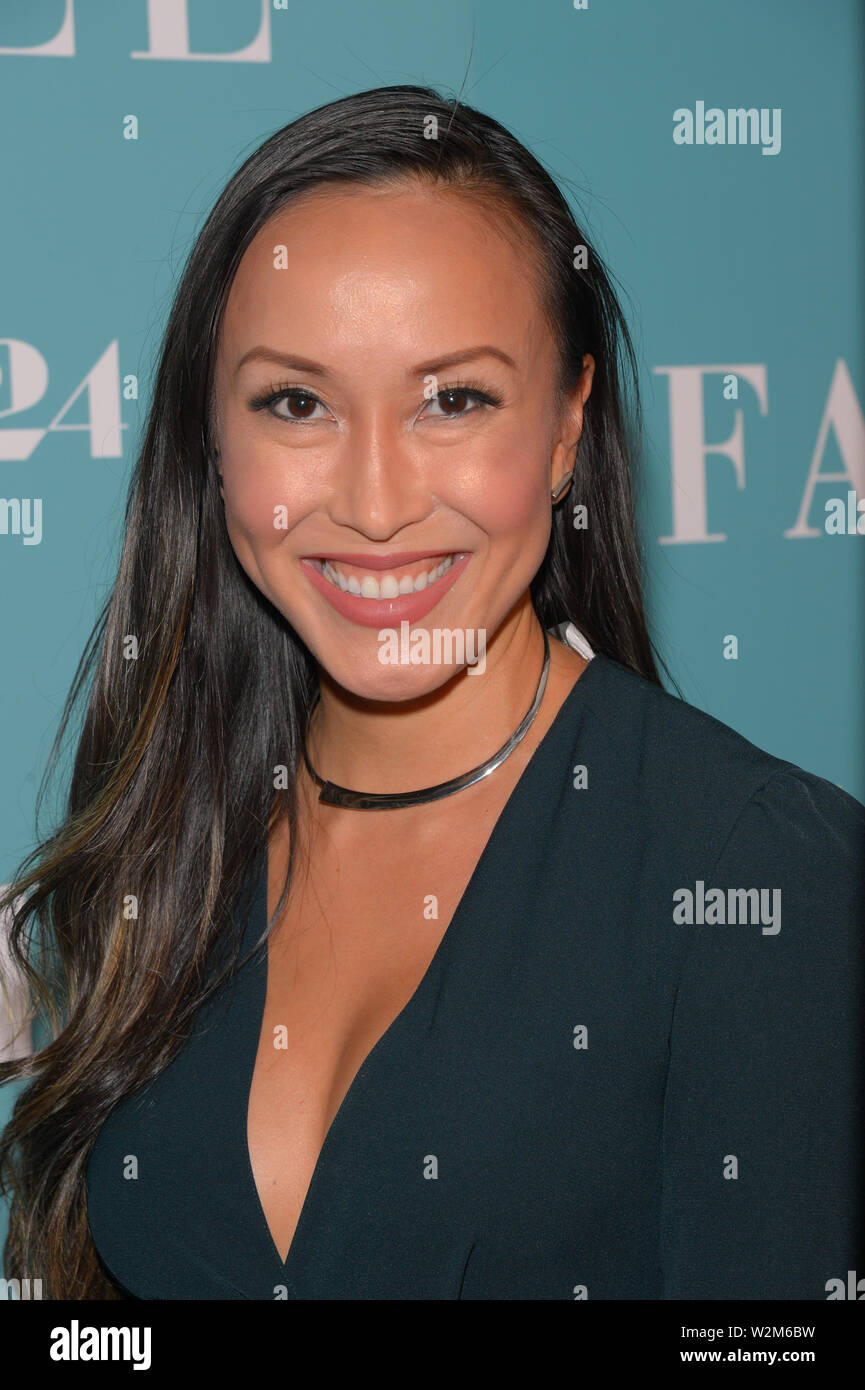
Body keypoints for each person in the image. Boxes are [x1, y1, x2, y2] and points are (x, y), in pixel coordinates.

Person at [1, 84, 862, 1301]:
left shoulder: (751, 869)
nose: (376, 497)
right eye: (295, 402)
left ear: (568, 424)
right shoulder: (170, 840)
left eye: (453, 399)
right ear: (215, 439)